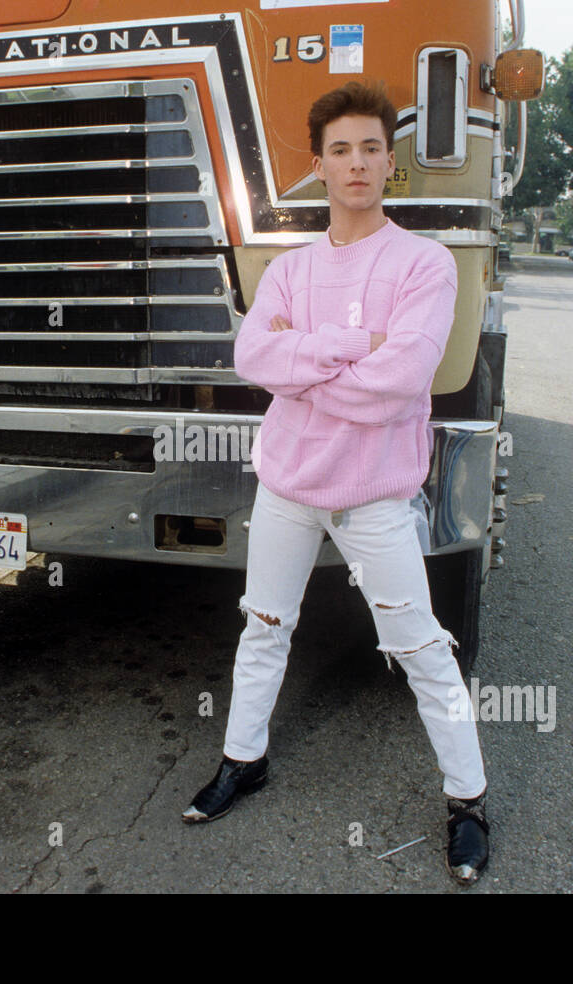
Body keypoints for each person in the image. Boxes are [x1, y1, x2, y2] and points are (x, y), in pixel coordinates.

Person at [179, 80, 490, 885]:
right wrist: (349, 349)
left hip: (373, 495)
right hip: (286, 486)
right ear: (319, 167)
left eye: (371, 148)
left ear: (393, 162)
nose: (357, 163)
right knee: (264, 627)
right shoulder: (290, 268)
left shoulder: (425, 264)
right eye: (340, 150)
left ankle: (467, 800)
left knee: (419, 645)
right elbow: (253, 359)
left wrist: (303, 360)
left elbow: (404, 376)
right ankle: (243, 761)